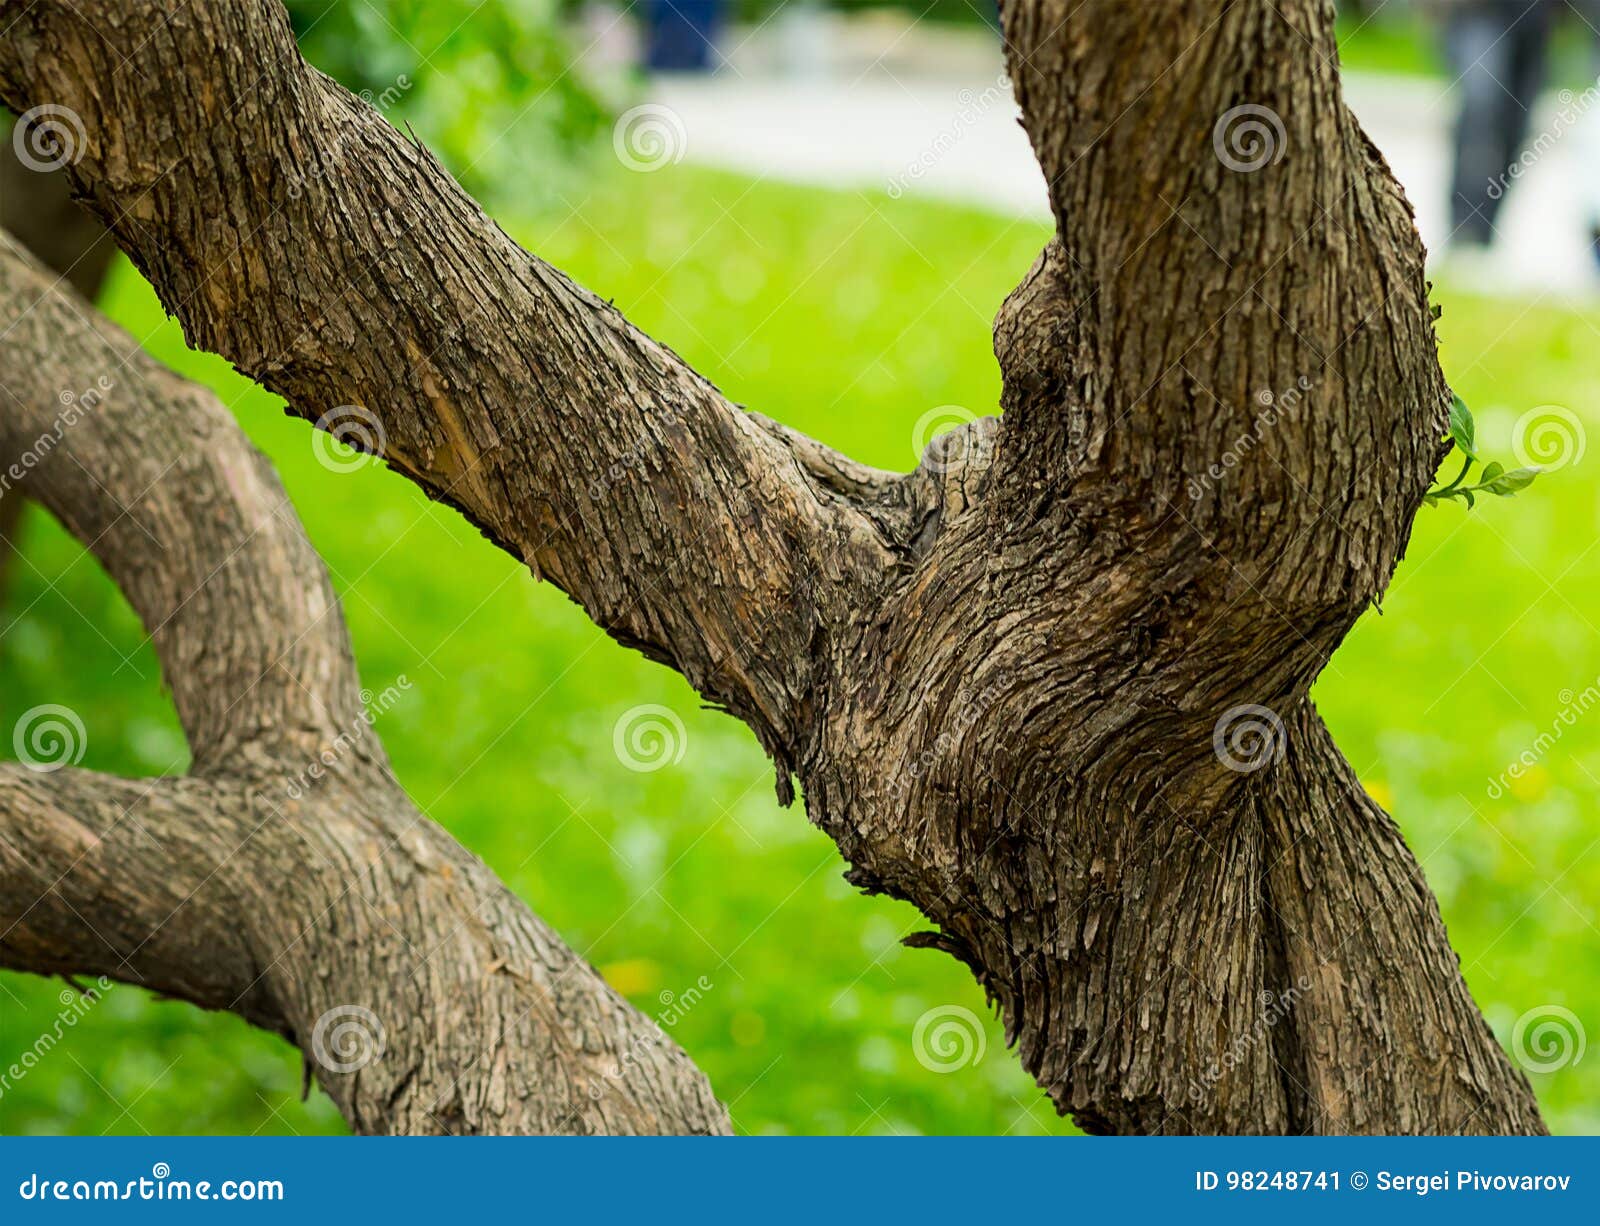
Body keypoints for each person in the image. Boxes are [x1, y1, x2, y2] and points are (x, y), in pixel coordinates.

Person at [1432, 0, 1557, 251]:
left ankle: (1484, 230)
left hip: (1535, 19)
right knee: (1480, 109)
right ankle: (1465, 227)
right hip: (1481, 13)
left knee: (1517, 127)